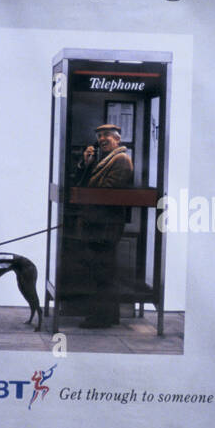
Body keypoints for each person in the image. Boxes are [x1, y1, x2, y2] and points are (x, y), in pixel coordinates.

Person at [71, 123, 133, 328]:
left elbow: (106, 193)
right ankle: (109, 316)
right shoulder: (105, 159)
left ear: (118, 139)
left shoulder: (121, 159)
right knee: (102, 271)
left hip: (105, 225)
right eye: (99, 136)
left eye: (107, 135)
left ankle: (101, 318)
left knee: (102, 272)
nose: (102, 139)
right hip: (98, 224)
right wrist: (86, 163)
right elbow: (82, 183)